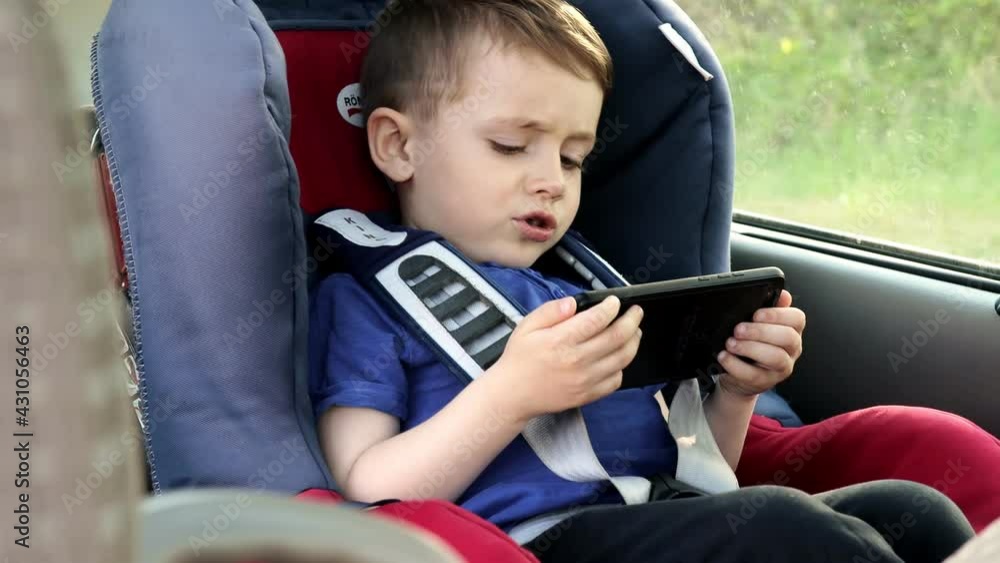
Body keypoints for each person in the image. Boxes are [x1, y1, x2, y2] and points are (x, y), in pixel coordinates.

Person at [308, 1, 974, 561]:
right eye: (511, 146)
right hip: (536, 541)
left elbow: (702, 470)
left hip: (661, 514)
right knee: (788, 527)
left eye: (573, 158)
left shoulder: (580, 287)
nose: (551, 180)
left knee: (913, 510)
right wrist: (510, 395)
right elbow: (365, 483)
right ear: (399, 146)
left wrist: (736, 391)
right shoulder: (369, 299)